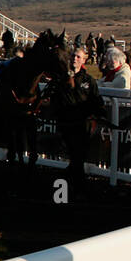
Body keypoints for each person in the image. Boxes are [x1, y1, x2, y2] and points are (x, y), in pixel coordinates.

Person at [53, 46, 105, 198]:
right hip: (66, 125)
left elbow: (96, 100)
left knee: (78, 157)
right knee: (75, 157)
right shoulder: (60, 79)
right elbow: (55, 100)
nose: (75, 59)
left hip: (83, 125)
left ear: (84, 60)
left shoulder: (89, 81)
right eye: (73, 56)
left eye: (78, 57)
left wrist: (100, 112)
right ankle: (73, 189)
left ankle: (73, 188)